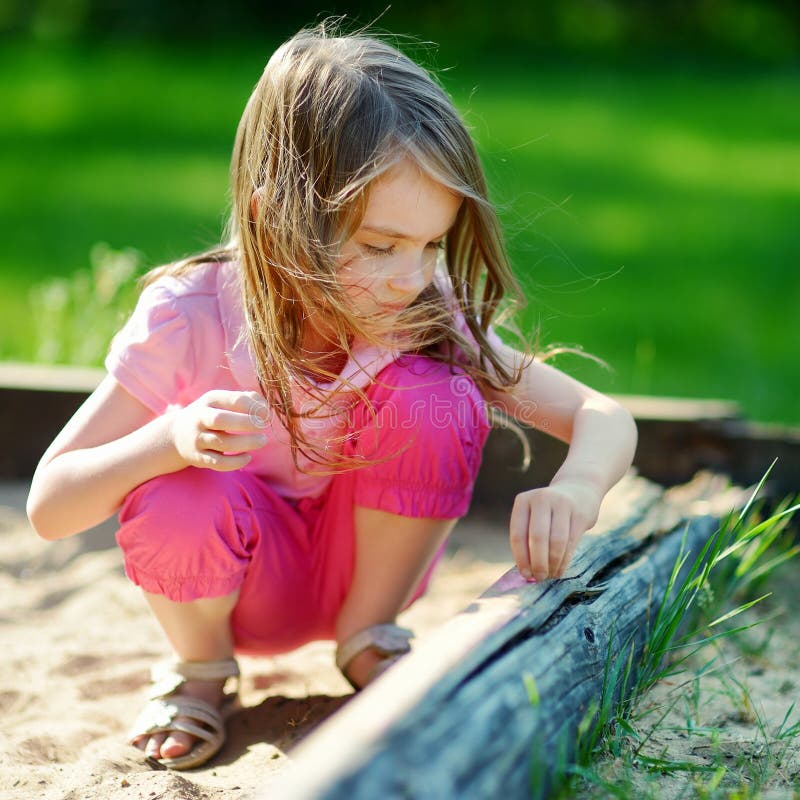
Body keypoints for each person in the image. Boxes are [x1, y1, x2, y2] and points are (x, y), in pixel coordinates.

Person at [26, 24, 637, 771]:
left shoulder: (419, 313)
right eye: (380, 246)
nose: (410, 277)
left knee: (433, 397)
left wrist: (576, 485)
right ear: (269, 215)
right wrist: (170, 439)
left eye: (431, 246)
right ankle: (201, 673)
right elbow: (50, 506)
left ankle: (367, 641)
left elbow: (602, 416)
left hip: (361, 577)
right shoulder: (190, 315)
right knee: (177, 492)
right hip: (231, 591)